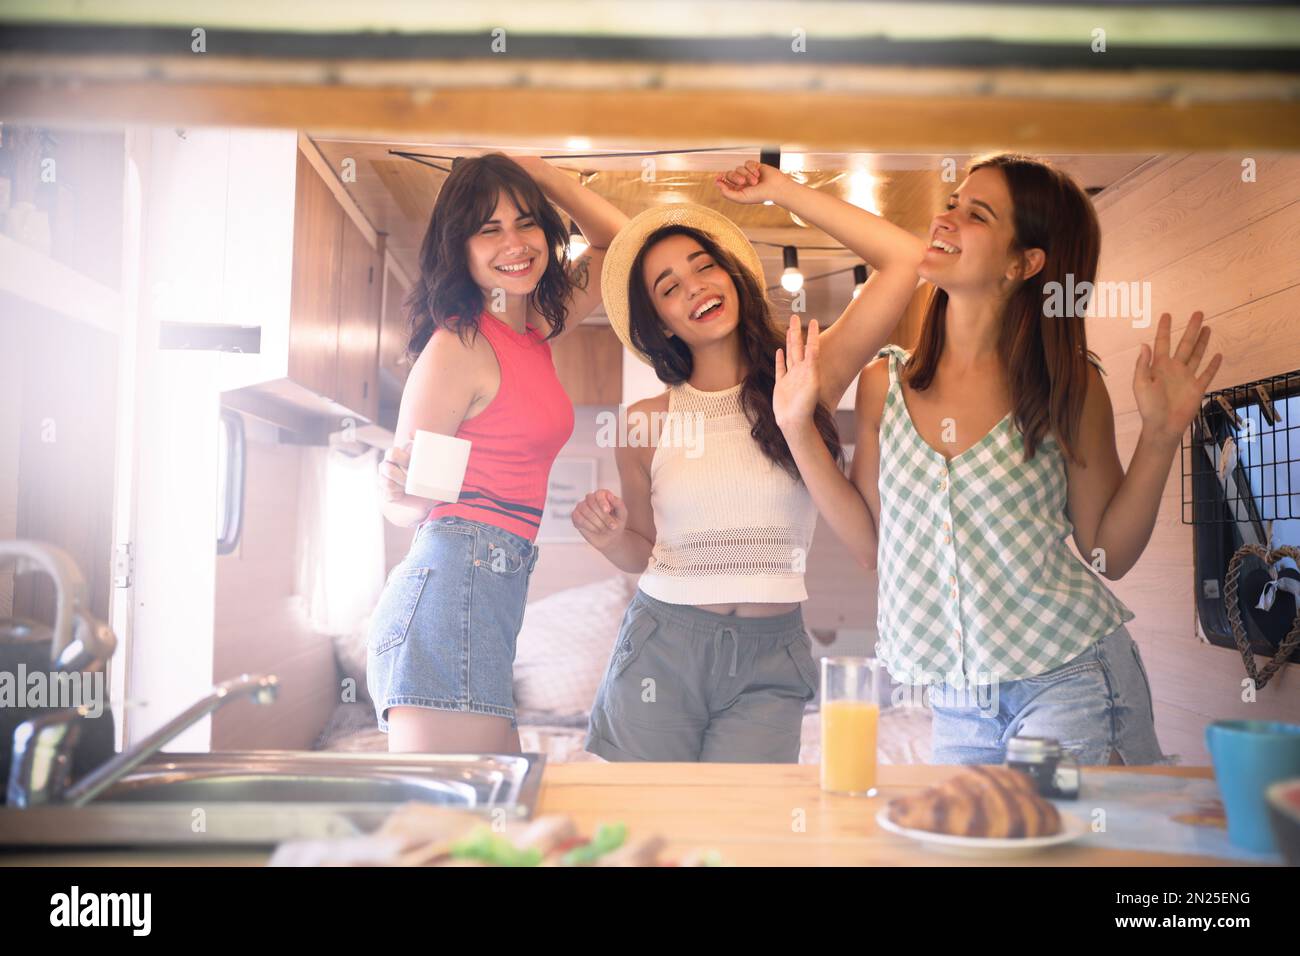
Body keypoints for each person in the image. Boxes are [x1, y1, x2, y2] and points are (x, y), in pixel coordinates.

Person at [773, 153, 1222, 765]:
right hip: (959, 702)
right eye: (952, 202)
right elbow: (868, 546)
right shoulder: (886, 382)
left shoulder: (1069, 385)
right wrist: (795, 425)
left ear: (1024, 263)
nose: (945, 217)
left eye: (975, 213)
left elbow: (1108, 554)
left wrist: (1162, 435)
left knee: (1051, 855)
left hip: (1068, 676)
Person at [576, 161, 926, 761]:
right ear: (659, 322)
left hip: (771, 654)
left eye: (704, 266)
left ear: (733, 276)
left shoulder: (808, 373)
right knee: (649, 843)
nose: (695, 287)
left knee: (744, 835)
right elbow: (644, 548)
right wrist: (611, 540)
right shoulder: (643, 420)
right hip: (663, 645)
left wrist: (784, 192)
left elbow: (905, 259)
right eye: (668, 287)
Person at [369, 153, 628, 753]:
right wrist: (396, 492)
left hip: (489, 588)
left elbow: (620, 244)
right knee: (463, 829)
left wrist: (541, 173)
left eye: (526, 222)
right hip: (451, 586)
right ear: (458, 248)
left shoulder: (531, 330)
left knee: (491, 818)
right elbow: (412, 508)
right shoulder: (457, 345)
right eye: (489, 229)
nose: (514, 242)